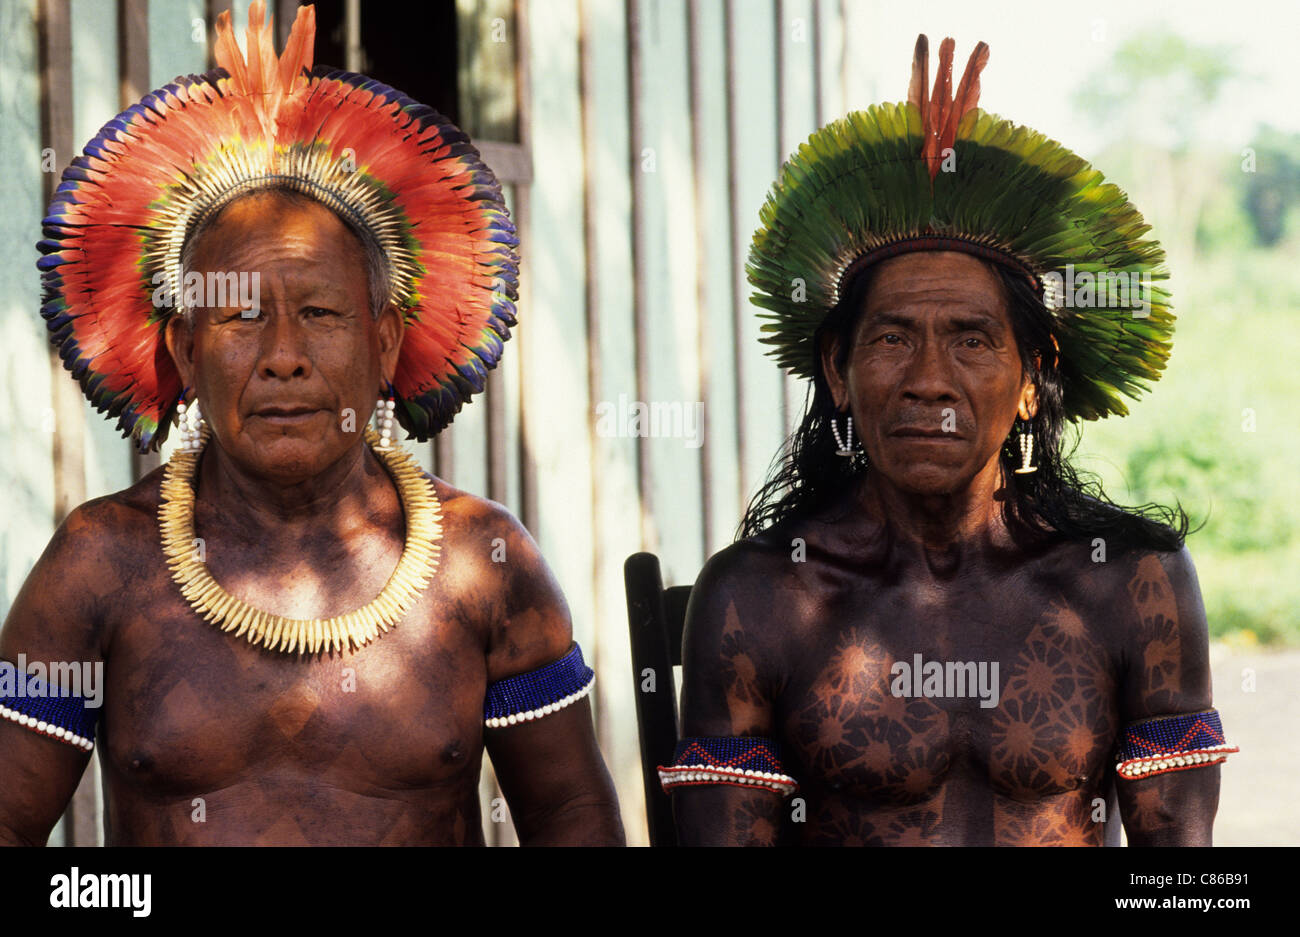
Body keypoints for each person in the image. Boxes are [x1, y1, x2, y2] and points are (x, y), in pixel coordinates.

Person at [0, 2, 623, 846]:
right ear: (184, 349)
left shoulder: (484, 565)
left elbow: (573, 820)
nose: (283, 357)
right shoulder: (98, 564)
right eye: (240, 319)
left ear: (385, 340)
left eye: (322, 313)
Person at [660, 35, 1235, 846]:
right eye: (893, 338)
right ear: (837, 368)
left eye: (971, 339)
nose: (929, 379)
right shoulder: (759, 598)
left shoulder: (1131, 587)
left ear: (1034, 376)